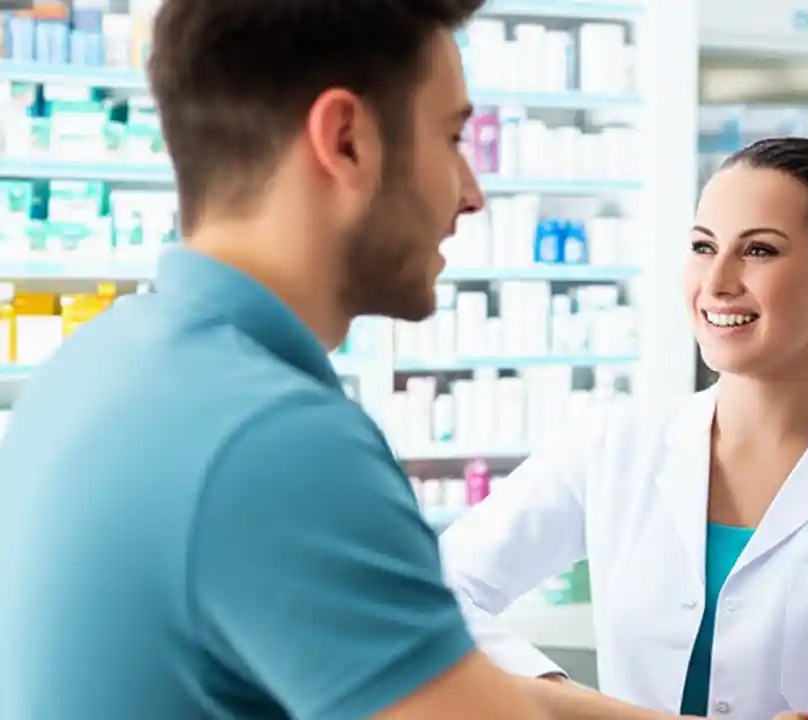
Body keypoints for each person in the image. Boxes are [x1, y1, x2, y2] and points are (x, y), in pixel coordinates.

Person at [0, 2, 551, 718]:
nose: (470, 194)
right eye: (451, 138)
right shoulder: (273, 439)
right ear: (346, 140)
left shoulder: (97, 363)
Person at [440, 137, 808, 720]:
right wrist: (557, 694)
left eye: (758, 250)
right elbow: (435, 586)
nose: (718, 281)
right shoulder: (615, 445)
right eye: (704, 247)